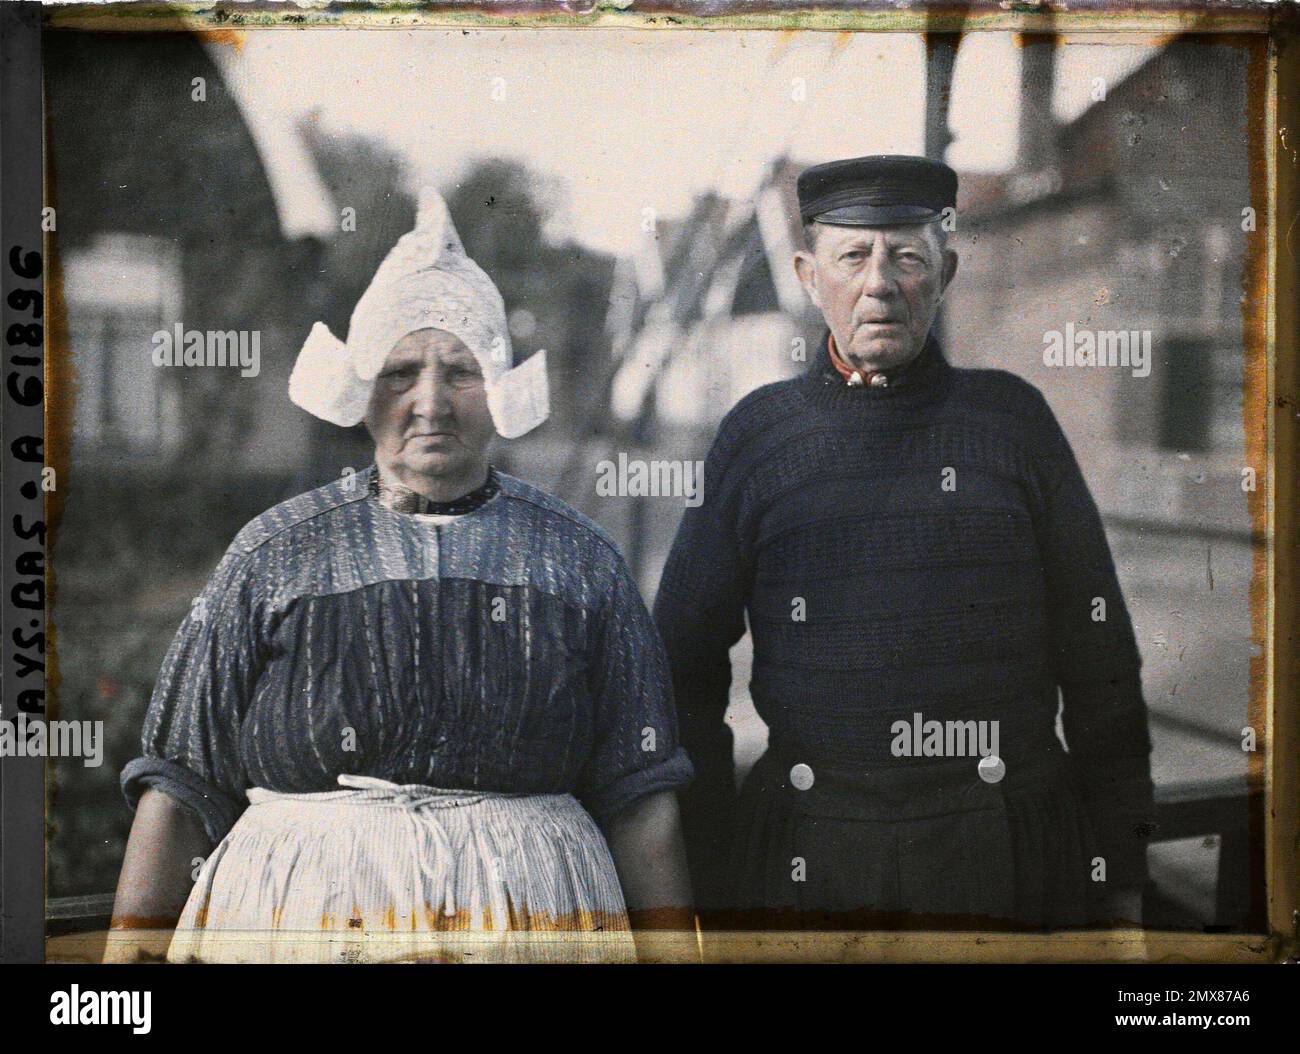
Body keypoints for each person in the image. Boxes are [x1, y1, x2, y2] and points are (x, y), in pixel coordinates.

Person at [109, 189, 694, 963]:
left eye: (460, 370)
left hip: (528, 929)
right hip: (304, 930)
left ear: (500, 388)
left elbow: (642, 801)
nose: (430, 403)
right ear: (359, 392)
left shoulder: (579, 564)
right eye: (399, 372)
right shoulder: (274, 554)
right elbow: (178, 789)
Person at [653, 155, 1154, 930]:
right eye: (853, 256)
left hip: (1008, 855)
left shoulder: (1013, 424)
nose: (879, 282)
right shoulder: (759, 438)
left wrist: (1121, 877)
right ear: (809, 273)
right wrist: (712, 861)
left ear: (945, 272)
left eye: (907, 256)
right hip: (812, 858)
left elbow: (1102, 663)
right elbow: (680, 666)